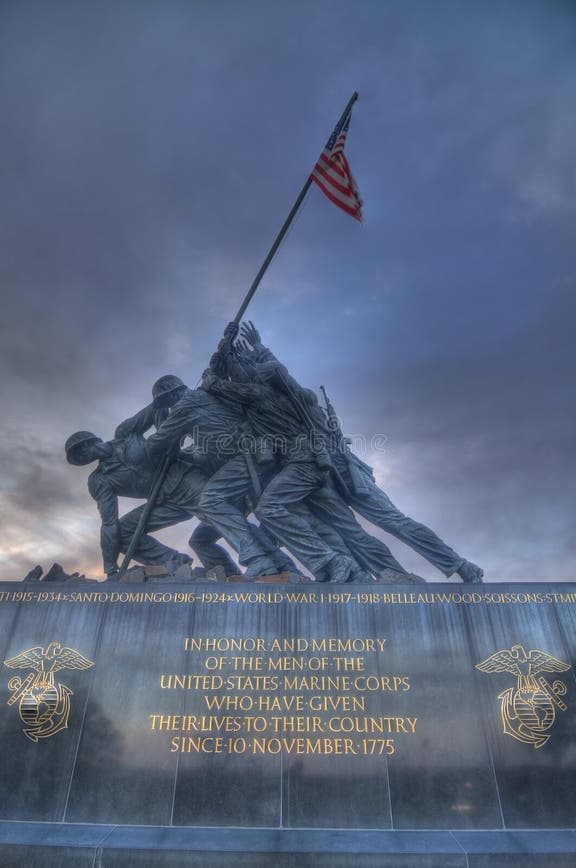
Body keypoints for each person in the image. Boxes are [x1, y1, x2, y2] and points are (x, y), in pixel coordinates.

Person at [234, 322, 484, 584]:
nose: (259, 377)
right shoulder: (276, 405)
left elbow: (279, 374)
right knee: (350, 532)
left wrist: (260, 349)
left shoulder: (300, 398)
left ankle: (460, 565)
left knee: (393, 521)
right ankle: (395, 574)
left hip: (346, 469)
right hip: (325, 474)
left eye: (260, 374)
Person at [65, 403, 235, 579]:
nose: (81, 458)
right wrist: (110, 566)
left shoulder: (125, 433)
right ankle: (174, 563)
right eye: (77, 459)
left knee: (219, 515)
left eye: (79, 452)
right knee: (123, 532)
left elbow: (158, 407)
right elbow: (109, 524)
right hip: (164, 501)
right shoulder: (98, 481)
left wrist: (168, 436)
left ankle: (260, 559)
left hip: (185, 480)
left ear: (89, 442)